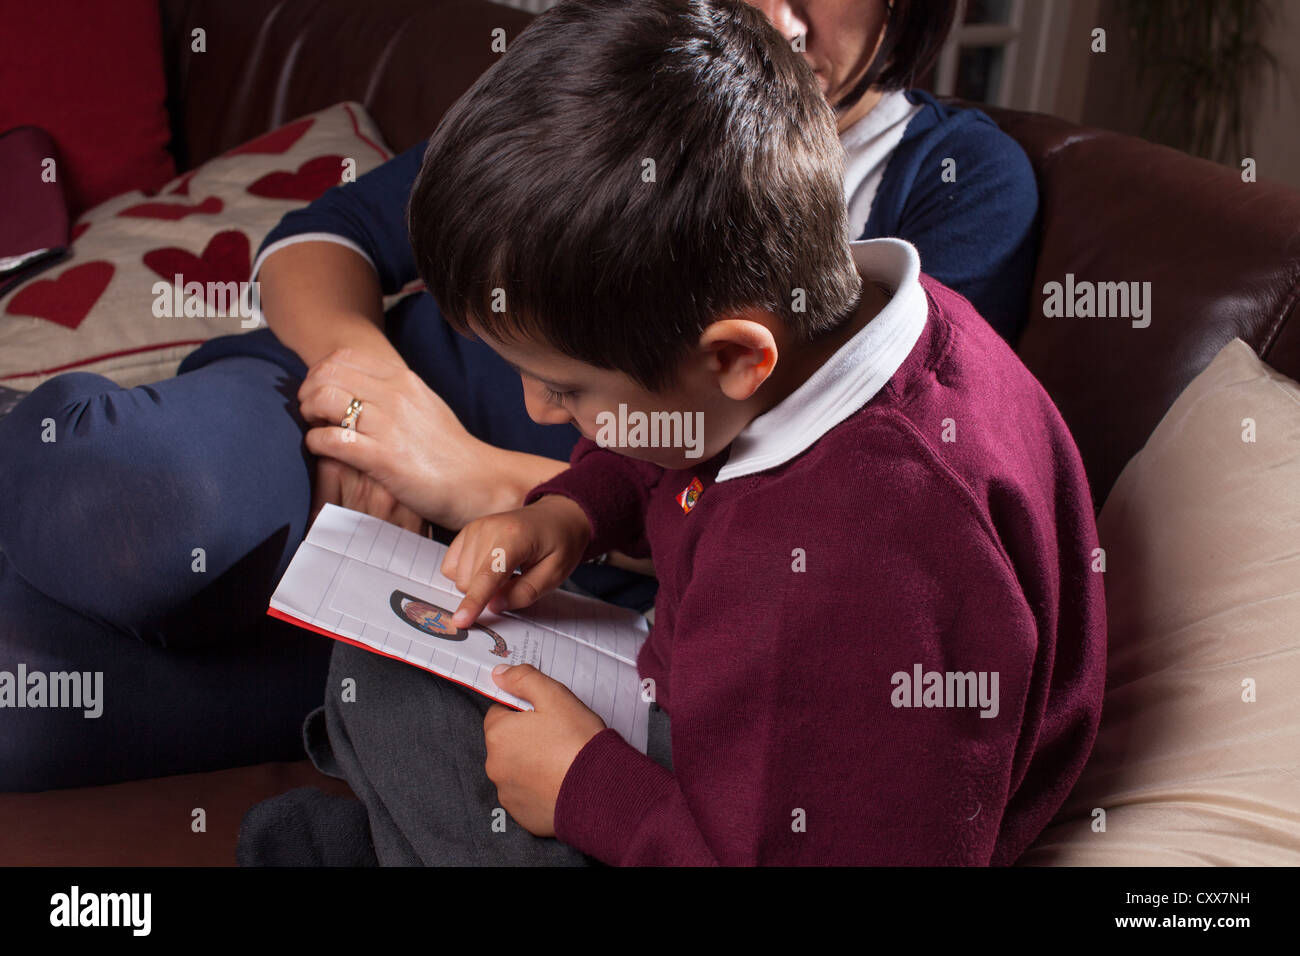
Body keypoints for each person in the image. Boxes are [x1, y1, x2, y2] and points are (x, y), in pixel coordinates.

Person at [0, 0, 1038, 791]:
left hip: (528, 590)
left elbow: (820, 516)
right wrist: (373, 398)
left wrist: (465, 476)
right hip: (327, 425)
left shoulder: (948, 188)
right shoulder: (616, 78)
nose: (771, 13)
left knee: (26, 715)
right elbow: (319, 243)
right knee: (137, 504)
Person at [238, 0, 1103, 866]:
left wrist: (587, 788)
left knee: (400, 704)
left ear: (734, 357)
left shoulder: (864, 558)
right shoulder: (842, 326)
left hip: (779, 804)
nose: (539, 411)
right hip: (714, 707)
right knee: (389, 666)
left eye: (568, 388)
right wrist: (573, 511)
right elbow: (690, 438)